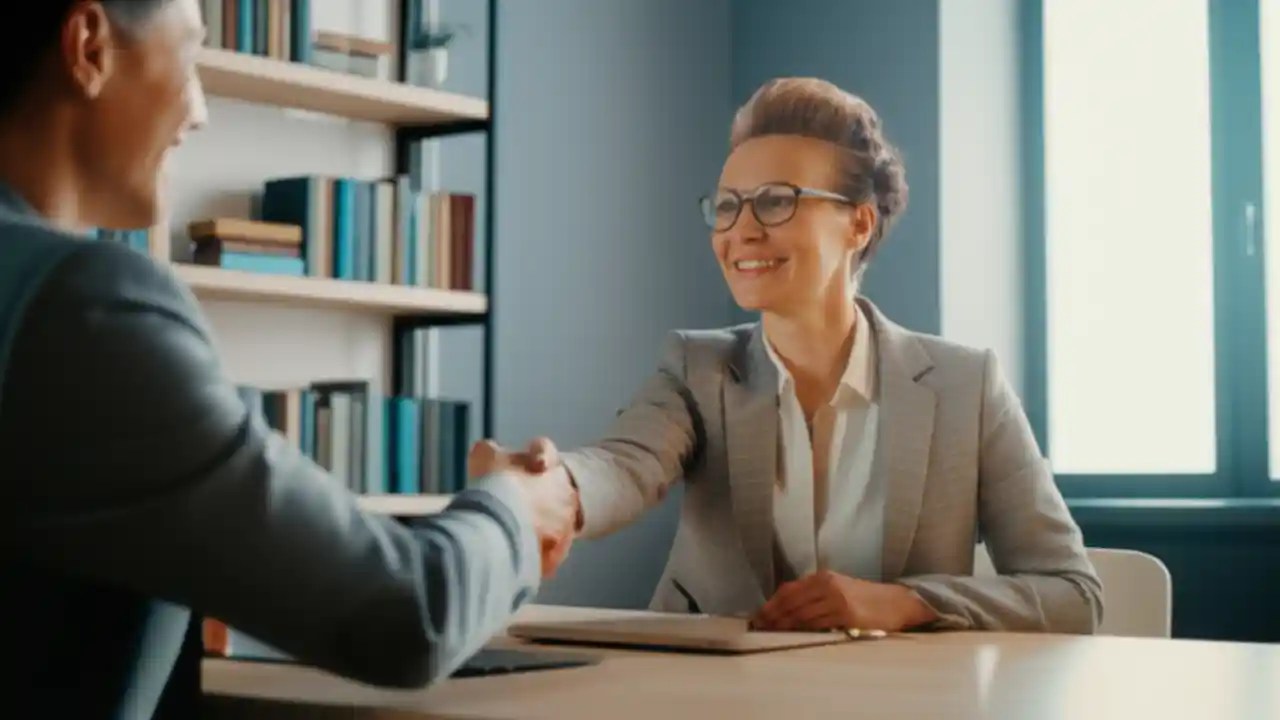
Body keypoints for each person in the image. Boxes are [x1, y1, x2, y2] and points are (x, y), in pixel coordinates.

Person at [0, 1, 578, 715]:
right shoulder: (76, 303)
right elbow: (407, 615)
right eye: (191, 56)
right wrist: (517, 508)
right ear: (88, 45)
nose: (199, 110)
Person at [473, 77, 1103, 635]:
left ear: (858, 224)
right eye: (727, 206)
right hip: (709, 706)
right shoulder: (699, 369)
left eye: (776, 201)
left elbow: (1072, 594)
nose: (740, 230)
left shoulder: (966, 386)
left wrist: (906, 603)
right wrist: (553, 490)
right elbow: (626, 462)